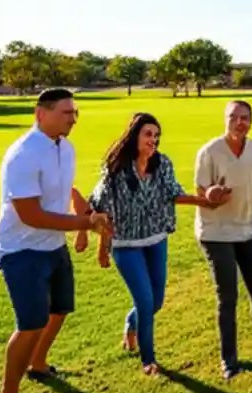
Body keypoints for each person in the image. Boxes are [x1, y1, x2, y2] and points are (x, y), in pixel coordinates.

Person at [0, 88, 111, 393]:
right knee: (30, 323)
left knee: (59, 310)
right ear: (40, 113)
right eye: (65, 112)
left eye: (75, 113)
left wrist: (81, 208)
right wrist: (84, 224)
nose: (72, 118)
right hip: (22, 250)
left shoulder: (65, 147)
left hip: (53, 246)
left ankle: (38, 363)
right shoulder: (23, 155)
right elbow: (31, 215)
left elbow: (65, 188)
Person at [86, 112, 231, 376]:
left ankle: (131, 325)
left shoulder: (162, 164)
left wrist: (208, 202)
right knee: (144, 299)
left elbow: (174, 194)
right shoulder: (116, 169)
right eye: (148, 134)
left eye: (156, 136)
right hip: (126, 244)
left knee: (157, 301)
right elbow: (101, 209)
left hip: (156, 240)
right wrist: (102, 248)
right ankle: (148, 360)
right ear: (135, 136)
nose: (153, 140)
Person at [194, 99, 252, 380]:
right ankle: (229, 361)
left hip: (248, 231)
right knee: (227, 296)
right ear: (225, 119)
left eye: (244, 117)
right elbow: (200, 193)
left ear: (251, 122)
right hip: (216, 233)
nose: (239, 122)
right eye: (234, 117)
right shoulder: (209, 152)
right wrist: (213, 195)